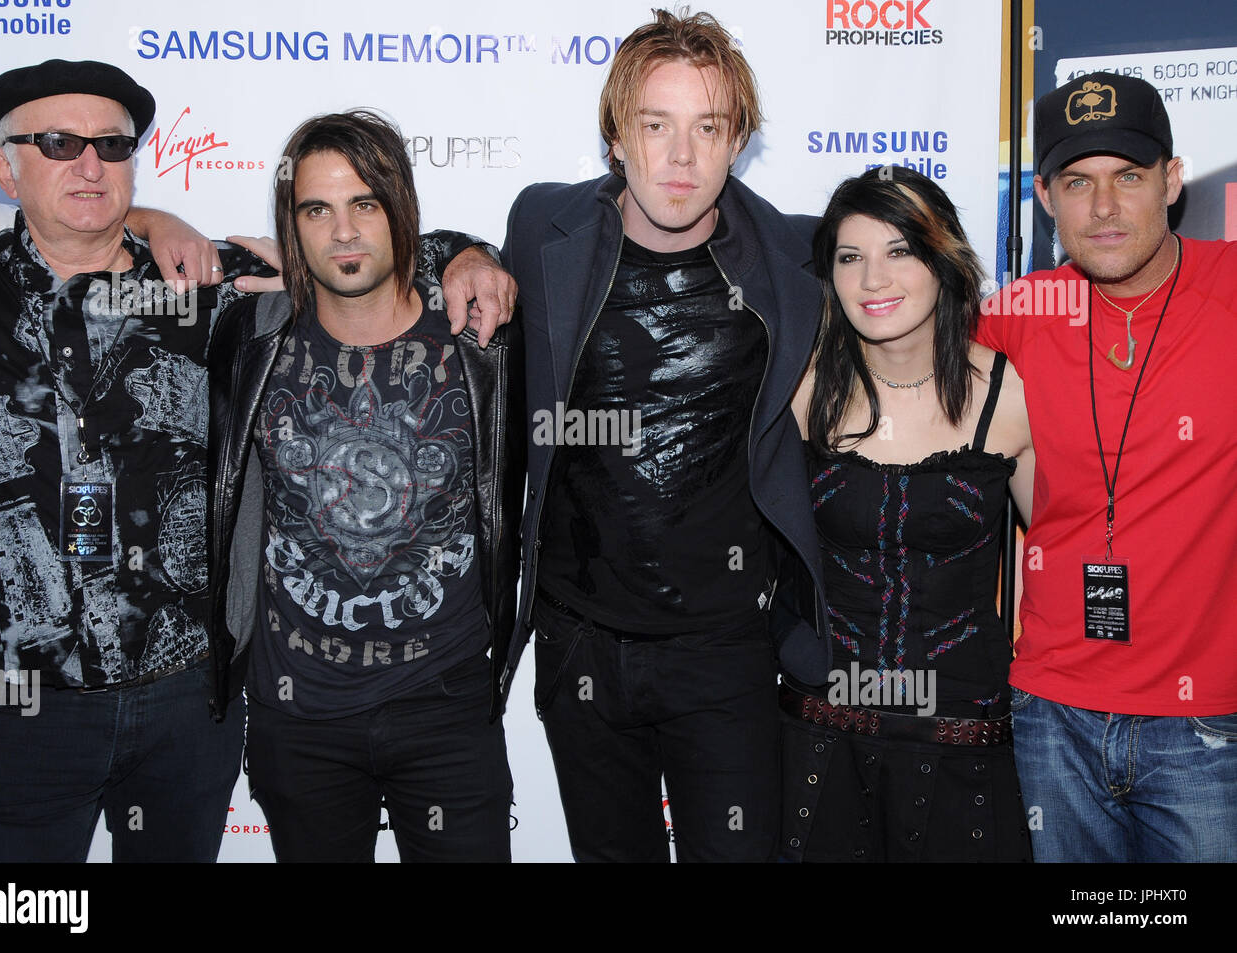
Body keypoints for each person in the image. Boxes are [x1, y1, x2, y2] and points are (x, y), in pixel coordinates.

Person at [498, 9, 826, 862]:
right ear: (615, 137)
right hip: (579, 641)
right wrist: (451, 256)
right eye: (656, 125)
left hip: (726, 651)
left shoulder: (793, 256)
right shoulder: (542, 227)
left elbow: (918, 269)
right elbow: (430, 269)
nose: (681, 157)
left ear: (738, 140)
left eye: (707, 127)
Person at [0, 59, 267, 862]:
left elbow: (371, 264)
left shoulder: (209, 286)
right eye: (58, 143)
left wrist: (468, 260)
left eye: (112, 146)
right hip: (20, 693)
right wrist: (151, 215)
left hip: (189, 690)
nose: (90, 163)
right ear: (4, 169)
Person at [207, 110, 523, 862]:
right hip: (298, 714)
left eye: (365, 204)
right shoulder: (249, 334)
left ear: (400, 209)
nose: (343, 232)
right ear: (292, 225)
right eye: (316, 210)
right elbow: (95, 238)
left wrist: (471, 249)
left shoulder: (481, 337)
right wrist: (152, 217)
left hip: (446, 704)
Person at [976, 71, 1237, 861]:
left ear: (1172, 180)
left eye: (1128, 176)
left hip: (1207, 723)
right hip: (1052, 711)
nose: (1104, 208)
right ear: (1045, 198)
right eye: (1077, 182)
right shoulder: (1014, 316)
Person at [776, 166, 1035, 861]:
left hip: (965, 741)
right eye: (849, 257)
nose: (873, 279)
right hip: (821, 734)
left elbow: (1062, 555)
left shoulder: (1009, 396)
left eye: (900, 250)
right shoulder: (801, 390)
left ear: (942, 258)